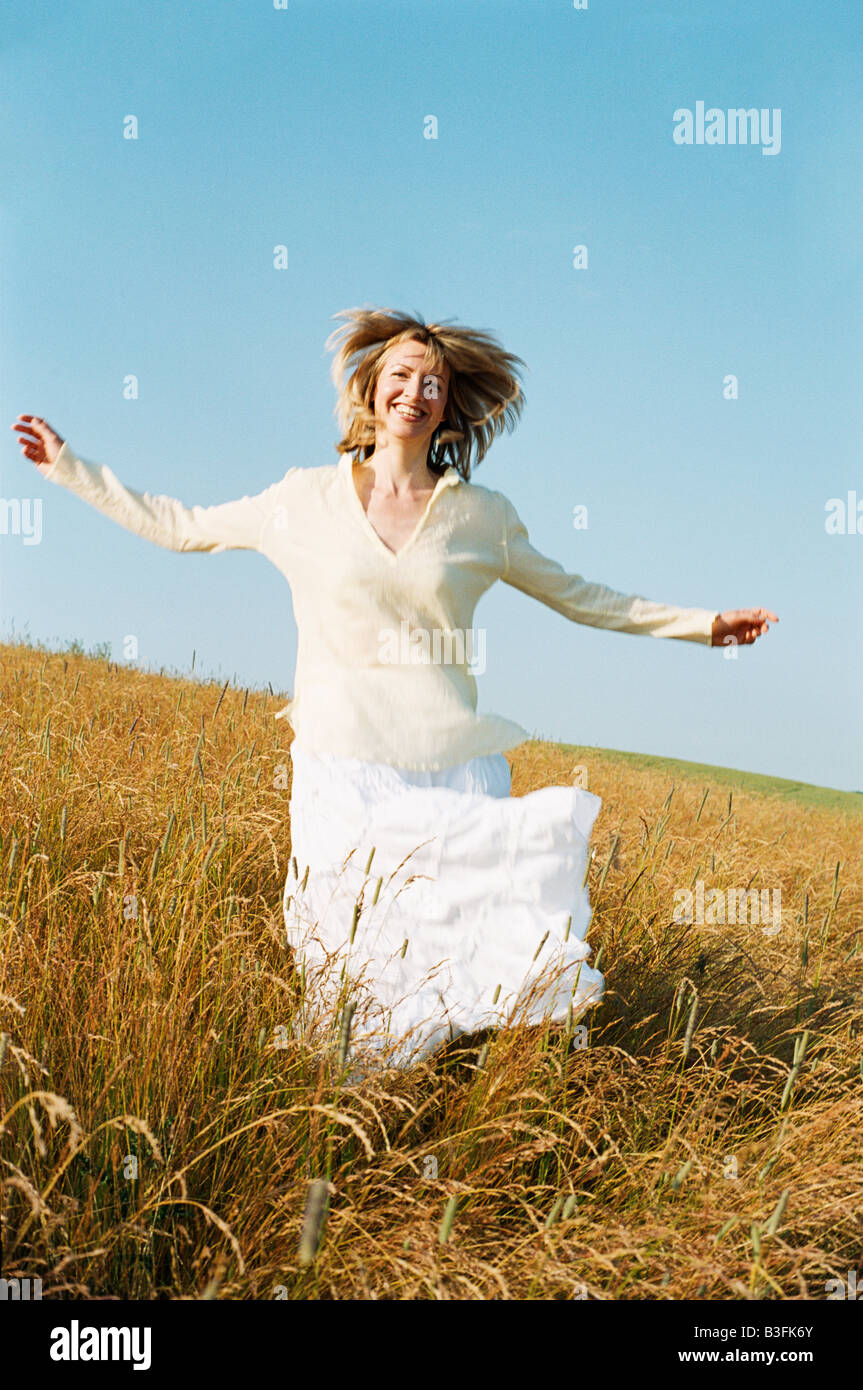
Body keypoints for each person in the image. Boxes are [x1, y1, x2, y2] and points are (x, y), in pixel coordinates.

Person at [11, 306, 777, 1072]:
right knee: (351, 955)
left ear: (448, 407)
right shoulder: (301, 500)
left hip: (452, 762)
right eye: (402, 376)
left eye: (434, 383)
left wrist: (702, 624)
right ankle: (351, 1118)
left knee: (468, 948)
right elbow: (180, 525)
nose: (416, 391)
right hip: (342, 761)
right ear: (370, 390)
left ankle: (469, 1101)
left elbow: (581, 597)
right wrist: (69, 468)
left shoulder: (482, 518)